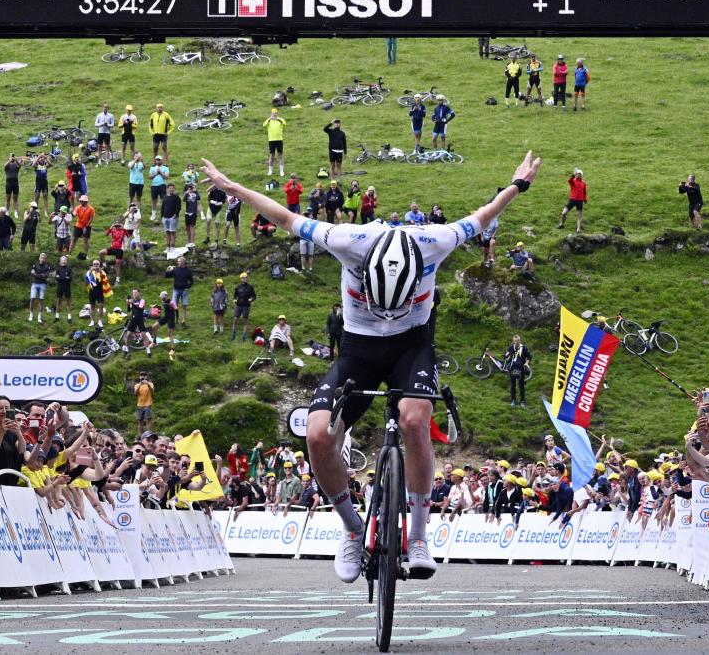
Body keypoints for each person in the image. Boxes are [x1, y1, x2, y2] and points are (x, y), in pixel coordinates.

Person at [200, 149, 542, 583]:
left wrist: (518, 185)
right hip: (358, 349)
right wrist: (232, 188)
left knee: (416, 419)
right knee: (319, 433)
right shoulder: (347, 239)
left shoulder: (435, 239)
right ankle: (351, 528)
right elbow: (285, 218)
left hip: (412, 346)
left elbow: (485, 214)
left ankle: (418, 535)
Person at [166, 255, 194, 327]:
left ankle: (183, 320)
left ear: (183, 262)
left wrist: (188, 287)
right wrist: (168, 270)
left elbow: (191, 281)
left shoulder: (188, 270)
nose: (178, 262)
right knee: (174, 305)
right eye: (178, 261)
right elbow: (167, 276)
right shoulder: (175, 269)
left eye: (179, 261)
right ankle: (175, 320)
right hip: (176, 290)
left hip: (184, 290)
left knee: (184, 305)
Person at [125, 289, 156, 356]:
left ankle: (148, 351)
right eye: (133, 293)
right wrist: (128, 303)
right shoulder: (132, 300)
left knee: (143, 335)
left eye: (136, 292)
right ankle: (127, 351)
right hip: (133, 319)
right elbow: (128, 310)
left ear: (139, 293)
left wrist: (132, 303)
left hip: (140, 319)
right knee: (128, 335)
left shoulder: (142, 300)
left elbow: (140, 308)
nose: (134, 294)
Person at [504, 334, 531, 407]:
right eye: (515, 341)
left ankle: (522, 401)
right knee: (513, 385)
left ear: (520, 340)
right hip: (512, 368)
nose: (516, 342)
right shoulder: (511, 348)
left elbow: (529, 357)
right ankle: (513, 400)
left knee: (521, 385)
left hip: (521, 369)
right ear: (513, 341)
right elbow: (506, 356)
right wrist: (508, 356)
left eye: (517, 340)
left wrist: (526, 363)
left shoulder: (524, 348)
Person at [230, 271, 256, 342]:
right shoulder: (238, 287)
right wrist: (235, 299)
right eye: (243, 278)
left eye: (245, 278)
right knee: (235, 319)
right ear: (240, 279)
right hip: (238, 305)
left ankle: (244, 335)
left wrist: (251, 299)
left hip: (246, 306)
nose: (244, 279)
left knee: (245, 321)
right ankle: (233, 334)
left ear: (247, 278)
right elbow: (235, 295)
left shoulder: (250, 287)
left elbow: (254, 296)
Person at [101, 218, 128, 286]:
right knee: (101, 253)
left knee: (117, 264)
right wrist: (111, 227)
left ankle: (118, 279)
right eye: (116, 225)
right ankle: (104, 265)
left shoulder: (123, 230)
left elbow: (128, 235)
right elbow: (106, 234)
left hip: (119, 249)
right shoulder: (113, 229)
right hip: (112, 248)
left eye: (118, 225)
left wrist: (123, 228)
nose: (117, 226)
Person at [85, 259, 111, 328]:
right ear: (92, 265)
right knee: (92, 306)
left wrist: (101, 273)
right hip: (92, 291)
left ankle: (100, 321)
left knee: (101, 306)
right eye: (94, 264)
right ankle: (92, 321)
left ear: (99, 265)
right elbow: (86, 280)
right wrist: (90, 270)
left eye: (97, 264)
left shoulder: (102, 272)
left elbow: (105, 281)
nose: (96, 266)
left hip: (100, 291)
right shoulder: (89, 272)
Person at [559, 168, 586, 233]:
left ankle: (578, 229)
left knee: (579, 215)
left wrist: (585, 199)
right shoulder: (573, 181)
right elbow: (569, 181)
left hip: (580, 201)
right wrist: (573, 176)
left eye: (579, 174)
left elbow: (584, 192)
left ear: (581, 175)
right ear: (575, 175)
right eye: (577, 174)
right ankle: (562, 224)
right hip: (572, 200)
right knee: (563, 213)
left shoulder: (583, 183)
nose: (578, 175)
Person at [28, 252, 51, 323]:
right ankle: (31, 314)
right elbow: (32, 273)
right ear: (39, 258)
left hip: (43, 284)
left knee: (41, 300)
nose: (42, 259)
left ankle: (39, 316)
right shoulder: (35, 265)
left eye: (44, 258)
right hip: (35, 284)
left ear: (46, 259)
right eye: (41, 257)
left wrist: (37, 275)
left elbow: (45, 276)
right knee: (32, 299)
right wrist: (40, 275)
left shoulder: (47, 267)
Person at [264, 109, 287, 177]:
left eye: (275, 113)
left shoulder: (280, 119)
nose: (274, 114)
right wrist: (269, 119)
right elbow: (264, 125)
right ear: (271, 113)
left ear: (277, 113)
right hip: (271, 140)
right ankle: (270, 171)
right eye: (273, 113)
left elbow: (285, 124)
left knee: (280, 154)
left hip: (279, 139)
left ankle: (281, 171)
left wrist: (278, 119)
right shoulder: (269, 120)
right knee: (272, 155)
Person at [160, 183, 182, 252]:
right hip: (165, 217)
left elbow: (178, 207)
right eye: (170, 188)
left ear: (174, 189)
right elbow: (163, 207)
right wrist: (162, 216)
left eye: (172, 188)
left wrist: (175, 215)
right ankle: (168, 246)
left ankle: (172, 246)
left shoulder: (176, 197)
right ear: (167, 189)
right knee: (167, 232)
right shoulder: (165, 197)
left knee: (172, 232)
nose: (171, 189)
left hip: (173, 217)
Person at [148, 156, 170, 222]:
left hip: (162, 185)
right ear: (155, 161)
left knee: (163, 200)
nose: (158, 161)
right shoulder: (152, 168)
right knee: (154, 200)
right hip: (154, 185)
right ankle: (153, 214)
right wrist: (156, 173)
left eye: (159, 160)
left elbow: (166, 177)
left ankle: (163, 213)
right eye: (157, 160)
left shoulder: (165, 168)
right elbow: (149, 177)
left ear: (162, 160)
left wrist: (160, 172)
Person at [54, 255, 73, 322]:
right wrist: (65, 278)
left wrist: (61, 278)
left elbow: (70, 278)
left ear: (66, 261)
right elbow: (56, 278)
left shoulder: (69, 269)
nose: (64, 261)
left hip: (67, 287)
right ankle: (57, 317)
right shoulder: (58, 269)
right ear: (60, 261)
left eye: (65, 260)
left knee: (68, 302)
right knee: (58, 301)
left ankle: (69, 318)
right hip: (60, 287)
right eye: (62, 260)